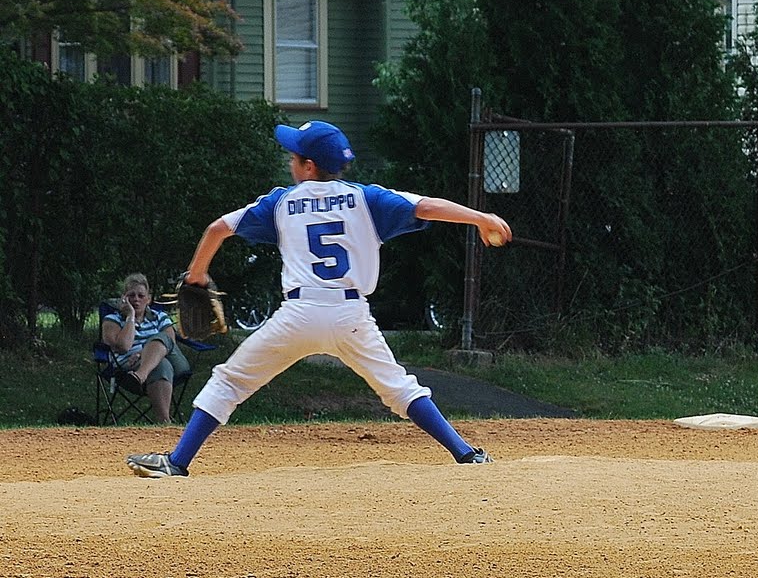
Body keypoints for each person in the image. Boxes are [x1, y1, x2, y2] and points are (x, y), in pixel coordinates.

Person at [126, 121, 511, 477]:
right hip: (351, 315)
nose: (290, 162)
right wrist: (481, 218)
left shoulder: (280, 203)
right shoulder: (367, 199)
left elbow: (217, 228)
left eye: (294, 157)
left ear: (308, 166)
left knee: (230, 382)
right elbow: (425, 206)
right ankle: (466, 454)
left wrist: (196, 276)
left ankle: (177, 462)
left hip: (298, 314)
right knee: (399, 388)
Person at [100, 273, 191, 424]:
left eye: (141, 295)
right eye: (131, 295)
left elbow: (170, 342)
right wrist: (130, 317)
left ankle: (140, 375)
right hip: (129, 366)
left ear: (148, 299)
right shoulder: (112, 320)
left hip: (172, 363)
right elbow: (123, 346)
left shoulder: (159, 316)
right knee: (161, 365)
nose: (136, 299)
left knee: (163, 339)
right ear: (124, 298)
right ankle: (165, 423)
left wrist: (143, 354)